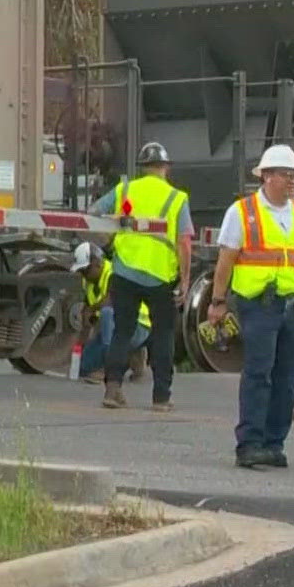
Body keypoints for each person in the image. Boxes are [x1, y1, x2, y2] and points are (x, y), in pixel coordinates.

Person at [205, 144, 294, 469]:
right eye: (287, 175)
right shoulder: (243, 212)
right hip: (258, 306)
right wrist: (217, 302)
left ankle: (274, 443)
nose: (293, 181)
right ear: (267, 176)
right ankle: (249, 444)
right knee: (258, 373)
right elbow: (226, 261)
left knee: (288, 376)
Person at [89, 142, 193, 412]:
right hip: (160, 276)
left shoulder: (126, 193)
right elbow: (184, 242)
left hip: (124, 271)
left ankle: (113, 388)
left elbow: (93, 214)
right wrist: (184, 279)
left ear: (142, 168)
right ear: (165, 168)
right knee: (163, 335)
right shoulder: (176, 198)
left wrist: (109, 245)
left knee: (123, 330)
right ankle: (161, 397)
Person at [71, 241, 150, 385]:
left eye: (86, 270)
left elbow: (111, 301)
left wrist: (92, 309)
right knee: (84, 367)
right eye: (81, 272)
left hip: (138, 327)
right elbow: (88, 314)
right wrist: (81, 345)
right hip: (114, 332)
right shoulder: (88, 282)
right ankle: (129, 356)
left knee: (107, 313)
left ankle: (110, 369)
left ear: (97, 263)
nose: (84, 275)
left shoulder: (114, 272)